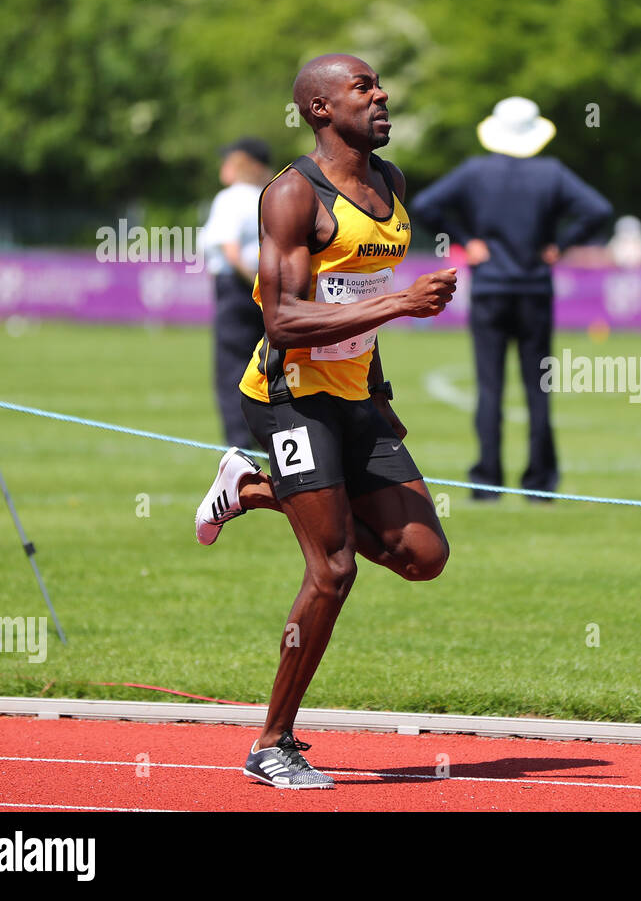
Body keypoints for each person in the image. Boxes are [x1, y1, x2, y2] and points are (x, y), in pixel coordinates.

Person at [192, 53, 458, 789]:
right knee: (333, 567)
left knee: (421, 554)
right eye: (362, 88)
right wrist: (401, 304)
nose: (380, 96)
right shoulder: (289, 196)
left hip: (355, 394)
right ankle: (271, 743)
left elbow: (359, 291)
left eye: (376, 85)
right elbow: (282, 320)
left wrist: (380, 389)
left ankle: (248, 489)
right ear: (319, 110)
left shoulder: (391, 183)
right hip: (288, 396)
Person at [410, 96, 613, 500]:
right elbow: (599, 209)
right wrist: (561, 243)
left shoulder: (474, 172)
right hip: (534, 289)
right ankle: (539, 483)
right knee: (538, 389)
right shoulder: (551, 173)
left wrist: (467, 241)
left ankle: (486, 481)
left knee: (489, 388)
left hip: (489, 290)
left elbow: (423, 204)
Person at [201, 137, 273, 449]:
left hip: (238, 287)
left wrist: (254, 284)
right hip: (268, 286)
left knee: (232, 367)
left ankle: (240, 444)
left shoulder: (230, 199)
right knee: (266, 365)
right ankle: (268, 435)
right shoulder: (269, 196)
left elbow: (230, 251)